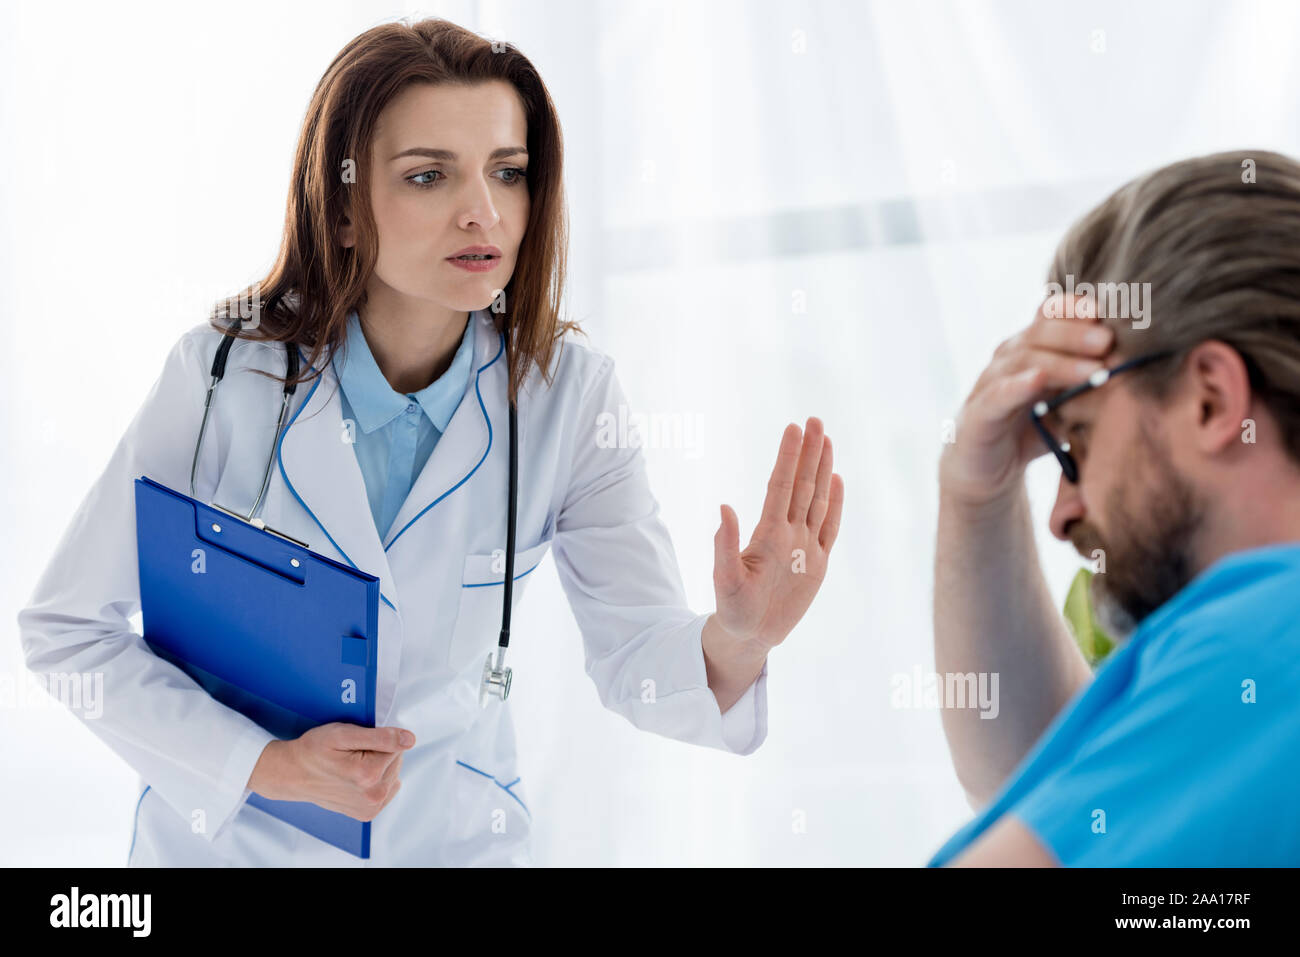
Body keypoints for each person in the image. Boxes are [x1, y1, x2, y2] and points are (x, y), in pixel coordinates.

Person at [16, 18, 845, 866]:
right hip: (234, 845)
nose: (482, 210)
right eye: (427, 175)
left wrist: (738, 639)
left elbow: (636, 652)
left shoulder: (567, 394)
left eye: (508, 173)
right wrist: (266, 765)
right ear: (341, 212)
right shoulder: (225, 375)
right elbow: (69, 629)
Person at [929, 149, 1300, 866]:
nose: (1062, 516)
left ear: (1210, 400)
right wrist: (977, 497)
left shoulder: (1264, 633)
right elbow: (1051, 786)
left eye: (1078, 444)